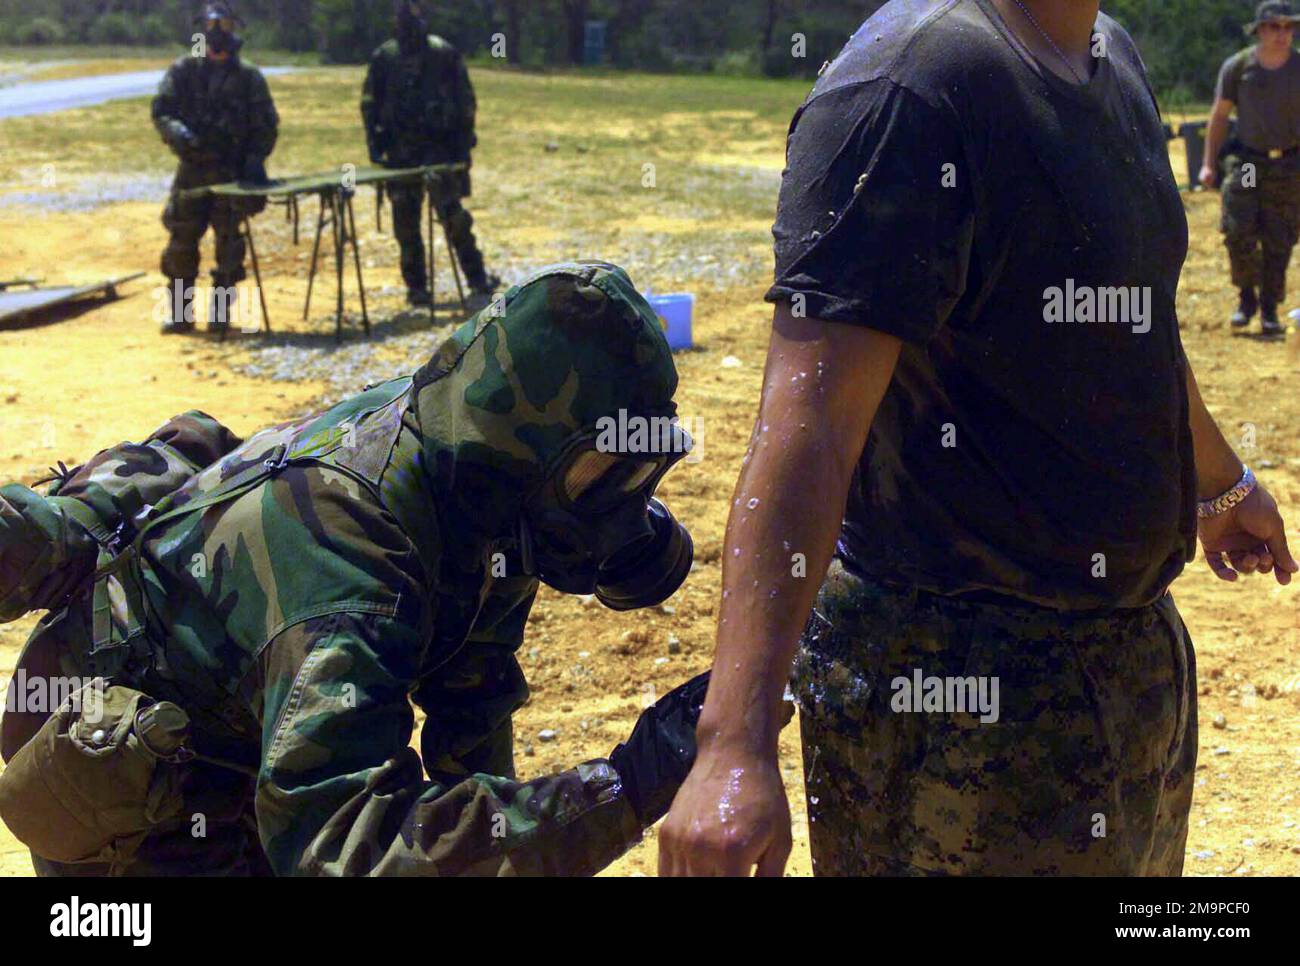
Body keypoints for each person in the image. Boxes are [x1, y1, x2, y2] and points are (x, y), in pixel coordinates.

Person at [660, 0, 1297, 877]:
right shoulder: (911, 87)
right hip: (960, 702)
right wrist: (732, 743)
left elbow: (1126, 326)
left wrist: (1219, 483)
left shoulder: (1111, 61)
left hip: (1125, 666)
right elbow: (807, 432)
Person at [0, 261, 702, 876]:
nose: (625, 501)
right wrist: (624, 788)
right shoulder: (349, 563)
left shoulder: (476, 468)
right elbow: (342, 845)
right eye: (604, 472)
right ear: (517, 456)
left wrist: (525, 841)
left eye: (641, 466)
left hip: (264, 736)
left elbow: (473, 687)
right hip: (138, 785)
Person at [152, 2, 278, 336]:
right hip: (192, 174)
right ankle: (181, 316)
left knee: (228, 249)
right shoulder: (184, 71)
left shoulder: (248, 77)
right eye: (212, 25)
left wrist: (254, 161)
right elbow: (162, 110)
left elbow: (266, 125)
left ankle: (220, 317)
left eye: (225, 24)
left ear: (235, 30)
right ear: (202, 30)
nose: (218, 32)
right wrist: (177, 132)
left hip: (231, 177)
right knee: (181, 244)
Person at [362, 1, 500, 307]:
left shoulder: (443, 54)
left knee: (454, 217)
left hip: (439, 152)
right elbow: (370, 102)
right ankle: (417, 288)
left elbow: (465, 101)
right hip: (400, 154)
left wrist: (462, 147)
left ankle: (476, 277)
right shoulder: (385, 57)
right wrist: (374, 142)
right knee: (406, 225)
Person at [1201, 1, 1300, 336]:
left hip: (1288, 164)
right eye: (1274, 26)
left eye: (1288, 27)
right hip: (1249, 163)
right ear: (1259, 30)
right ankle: (1247, 298)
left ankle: (1270, 308)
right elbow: (1219, 116)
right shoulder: (1239, 67)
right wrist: (1207, 165)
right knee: (1239, 229)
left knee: (1279, 239)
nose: (1282, 34)